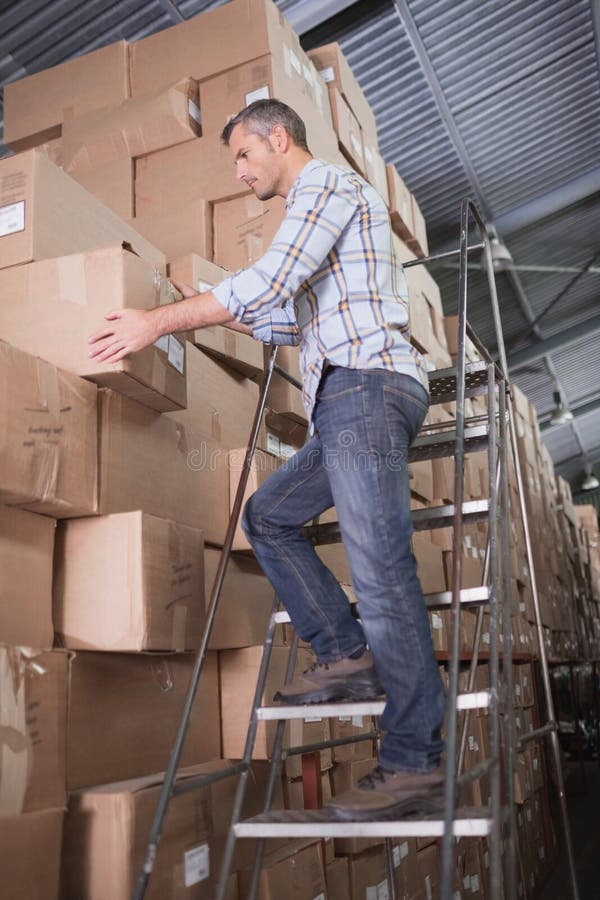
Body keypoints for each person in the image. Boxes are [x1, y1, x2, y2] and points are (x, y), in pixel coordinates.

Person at [88, 99, 446, 819]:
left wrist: (158, 321)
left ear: (278, 138)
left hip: (367, 389)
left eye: (244, 156)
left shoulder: (327, 186)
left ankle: (417, 763)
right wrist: (187, 305)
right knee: (269, 515)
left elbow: (272, 282)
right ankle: (347, 653)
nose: (240, 172)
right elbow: (281, 315)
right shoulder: (317, 216)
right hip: (346, 399)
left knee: (380, 569)